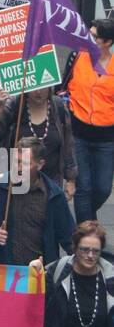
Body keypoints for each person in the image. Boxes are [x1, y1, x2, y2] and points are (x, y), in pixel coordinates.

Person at [0, 138, 74, 267]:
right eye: (15, 162)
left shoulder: (53, 195)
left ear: (40, 164)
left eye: (25, 163)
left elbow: (68, 235)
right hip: (1, 270)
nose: (18, 168)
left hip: (39, 271)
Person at [0, 86, 77, 202]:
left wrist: (71, 179)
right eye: (34, 88)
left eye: (43, 88)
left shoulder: (58, 107)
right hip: (17, 180)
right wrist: (0, 105)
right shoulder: (15, 104)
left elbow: (68, 143)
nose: (38, 92)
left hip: (50, 183)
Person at [64, 18, 114, 224]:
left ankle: (87, 220)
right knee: (83, 187)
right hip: (78, 133)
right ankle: (85, 234)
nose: (88, 39)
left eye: (94, 37)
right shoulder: (78, 56)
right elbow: (64, 85)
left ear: (107, 42)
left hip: (106, 137)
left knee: (103, 188)